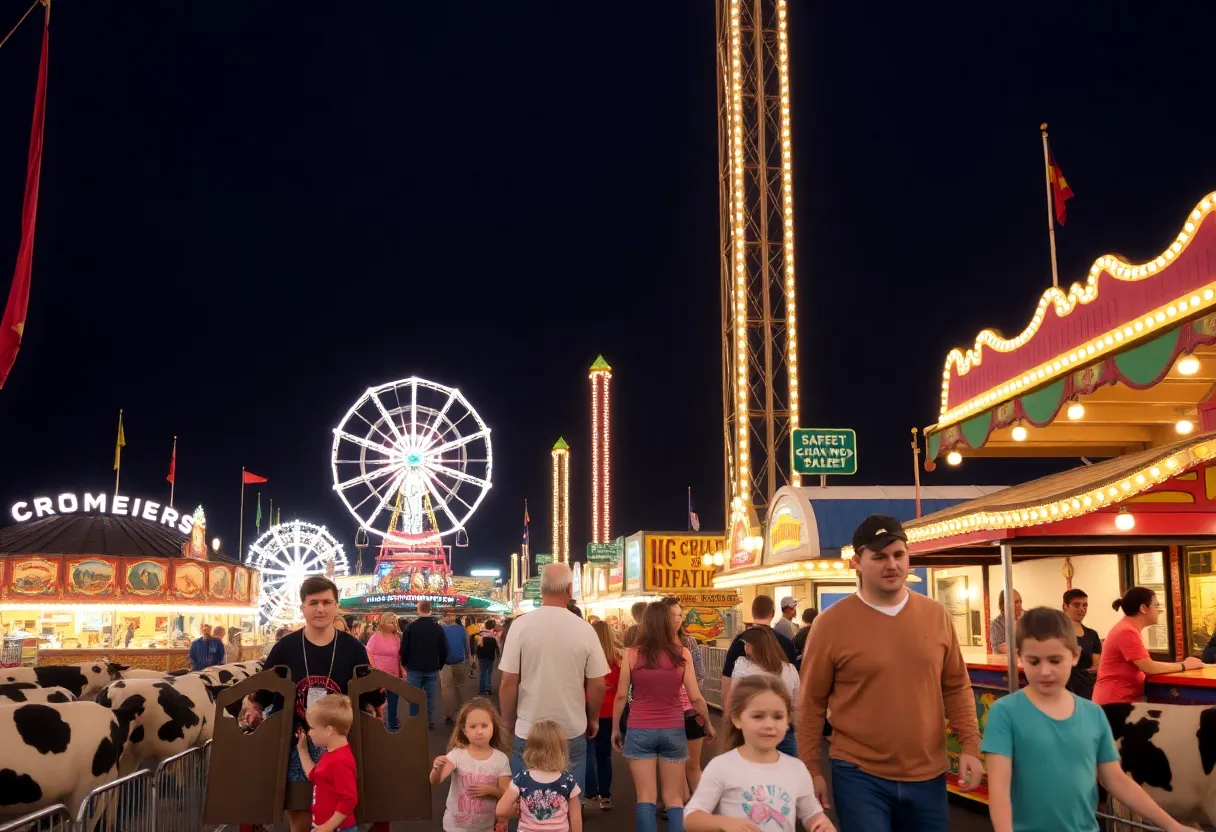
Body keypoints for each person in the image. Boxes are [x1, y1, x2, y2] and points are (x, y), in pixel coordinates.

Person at [797, 515, 982, 831]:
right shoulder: (830, 624)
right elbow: (811, 702)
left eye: (898, 555)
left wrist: (970, 747)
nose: (892, 565)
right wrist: (811, 768)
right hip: (857, 773)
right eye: (879, 557)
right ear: (857, 562)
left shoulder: (936, 615)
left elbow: (955, 687)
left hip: (928, 773)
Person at [982, 607, 1193, 832]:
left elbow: (1116, 780)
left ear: (1075, 655)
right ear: (1020, 657)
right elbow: (999, 790)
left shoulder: (1093, 714)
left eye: (1055, 660)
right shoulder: (1005, 713)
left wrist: (1172, 826)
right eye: (1034, 661)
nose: (1045, 671)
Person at [245, 576, 380, 832]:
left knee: (339, 811)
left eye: (327, 602)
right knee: (299, 815)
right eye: (313, 602)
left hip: (339, 743)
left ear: (336, 606)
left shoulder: (353, 648)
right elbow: (266, 686)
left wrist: (374, 706)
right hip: (295, 740)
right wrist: (256, 706)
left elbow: (368, 691)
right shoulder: (285, 647)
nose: (320, 609)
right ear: (303, 607)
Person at [499, 562, 608, 794]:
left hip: (528, 728)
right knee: (569, 799)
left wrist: (507, 722)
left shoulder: (520, 626)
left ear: (541, 589)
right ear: (569, 589)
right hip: (571, 728)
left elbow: (508, 681)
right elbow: (598, 684)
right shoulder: (585, 629)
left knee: (524, 798)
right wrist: (593, 718)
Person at [685, 674, 833, 832]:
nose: (769, 725)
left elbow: (812, 814)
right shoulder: (722, 766)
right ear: (737, 719)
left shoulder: (797, 769)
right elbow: (691, 818)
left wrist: (822, 824)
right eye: (758, 716)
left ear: (788, 721)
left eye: (778, 716)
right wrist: (723, 823)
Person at [612, 602, 713, 832]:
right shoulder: (682, 654)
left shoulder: (631, 654)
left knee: (645, 798)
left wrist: (616, 728)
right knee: (674, 798)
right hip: (673, 729)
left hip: (639, 729)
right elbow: (696, 697)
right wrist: (707, 723)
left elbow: (621, 695)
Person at [1093, 586, 1203, 705]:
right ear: (1143, 608)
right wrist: (1184, 665)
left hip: (1120, 700)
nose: (1160, 611)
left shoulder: (1128, 629)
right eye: (1156, 605)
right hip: (1114, 702)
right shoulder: (1126, 631)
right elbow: (1150, 668)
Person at [431, 698, 513, 832]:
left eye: (484, 726)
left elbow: (506, 794)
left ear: (494, 727)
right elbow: (436, 781)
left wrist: (491, 791)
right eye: (473, 726)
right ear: (464, 730)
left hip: (486, 827)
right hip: (456, 827)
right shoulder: (457, 754)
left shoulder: (500, 759)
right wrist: (436, 769)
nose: (479, 731)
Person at [496, 719, 583, 832]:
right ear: (562, 750)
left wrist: (517, 810)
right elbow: (576, 819)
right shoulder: (568, 781)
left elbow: (500, 810)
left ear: (529, 749)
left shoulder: (521, 779)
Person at [661, 596, 708, 794]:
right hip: (664, 713)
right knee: (675, 766)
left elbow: (699, 674)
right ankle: (681, 802)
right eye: (673, 615)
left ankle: (699, 805)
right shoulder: (652, 646)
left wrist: (689, 692)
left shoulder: (689, 642)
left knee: (692, 765)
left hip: (689, 711)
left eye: (680, 615)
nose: (678, 619)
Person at [720, 594, 797, 715]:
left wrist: (727, 712)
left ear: (753, 613)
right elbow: (793, 681)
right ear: (773, 613)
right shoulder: (787, 643)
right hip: (780, 711)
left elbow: (727, 678)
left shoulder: (740, 642)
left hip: (749, 712)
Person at [293, 694, 358, 832]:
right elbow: (314, 776)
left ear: (328, 730)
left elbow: (349, 799)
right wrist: (302, 750)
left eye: (312, 728)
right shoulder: (331, 754)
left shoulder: (341, 761)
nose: (309, 733)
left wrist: (328, 826)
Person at [732, 626, 799, 756]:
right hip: (784, 728)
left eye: (747, 644)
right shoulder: (790, 669)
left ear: (753, 646)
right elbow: (797, 704)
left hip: (754, 728)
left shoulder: (743, 666)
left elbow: (735, 699)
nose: (745, 648)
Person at [585, 619, 621, 811]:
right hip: (610, 710)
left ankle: (589, 792)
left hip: (589, 707)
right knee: (604, 755)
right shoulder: (619, 658)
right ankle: (605, 795)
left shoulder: (587, 656)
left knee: (587, 752)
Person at [401, 600, 448, 728]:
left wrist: (404, 663)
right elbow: (443, 649)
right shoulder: (438, 628)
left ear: (418, 609)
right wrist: (440, 665)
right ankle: (429, 721)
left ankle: (415, 722)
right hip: (432, 667)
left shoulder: (410, 627)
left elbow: (404, 648)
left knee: (414, 697)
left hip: (414, 668)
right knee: (430, 697)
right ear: (430, 610)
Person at [1062, 588, 1102, 699]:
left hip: (1086, 690)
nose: (1081, 609)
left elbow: (1096, 666)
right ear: (1065, 606)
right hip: (1063, 690)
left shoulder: (1092, 634)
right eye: (1076, 605)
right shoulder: (1056, 632)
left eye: (1085, 605)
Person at [367, 613, 403, 730]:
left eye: (394, 622)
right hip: (379, 675)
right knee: (379, 703)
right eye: (390, 622)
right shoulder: (375, 637)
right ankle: (379, 725)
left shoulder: (397, 637)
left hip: (394, 674)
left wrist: (402, 671)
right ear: (383, 623)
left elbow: (400, 656)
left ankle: (392, 724)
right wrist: (374, 668)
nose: (393, 624)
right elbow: (368, 653)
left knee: (394, 701)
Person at [442, 611, 470, 724]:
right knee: (459, 687)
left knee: (447, 689)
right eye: (447, 615)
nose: (449, 617)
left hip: (446, 663)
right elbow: (467, 646)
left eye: (450, 615)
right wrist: (469, 659)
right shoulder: (462, 630)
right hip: (458, 661)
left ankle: (449, 714)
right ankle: (462, 711)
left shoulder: (442, 629)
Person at [991, 590, 1024, 654]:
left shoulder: (1027, 619)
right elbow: (1002, 649)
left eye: (1020, 601)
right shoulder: (997, 624)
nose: (1019, 605)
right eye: (1016, 602)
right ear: (1004, 605)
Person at [475, 619, 500, 696]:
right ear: (493, 627)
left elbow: (477, 647)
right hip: (490, 657)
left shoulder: (480, 635)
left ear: (485, 626)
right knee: (489, 673)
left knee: (482, 672)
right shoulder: (494, 637)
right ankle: (488, 689)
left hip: (481, 657)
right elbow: (497, 648)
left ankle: (482, 689)